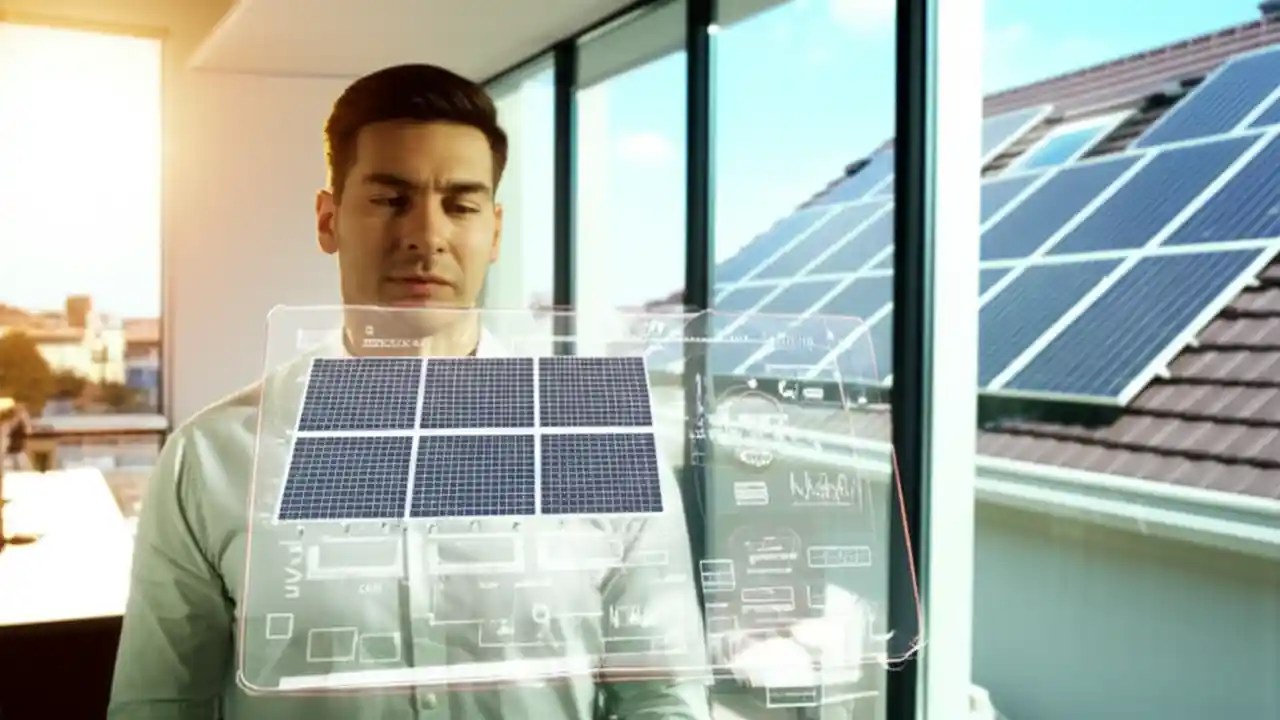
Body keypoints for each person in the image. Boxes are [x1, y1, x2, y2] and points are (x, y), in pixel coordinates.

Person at [108, 64, 711, 719]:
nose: (426, 235)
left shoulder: (600, 443)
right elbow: (159, 705)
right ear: (328, 220)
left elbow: (663, 695)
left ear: (495, 232)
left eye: (461, 205)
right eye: (391, 199)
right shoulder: (212, 458)